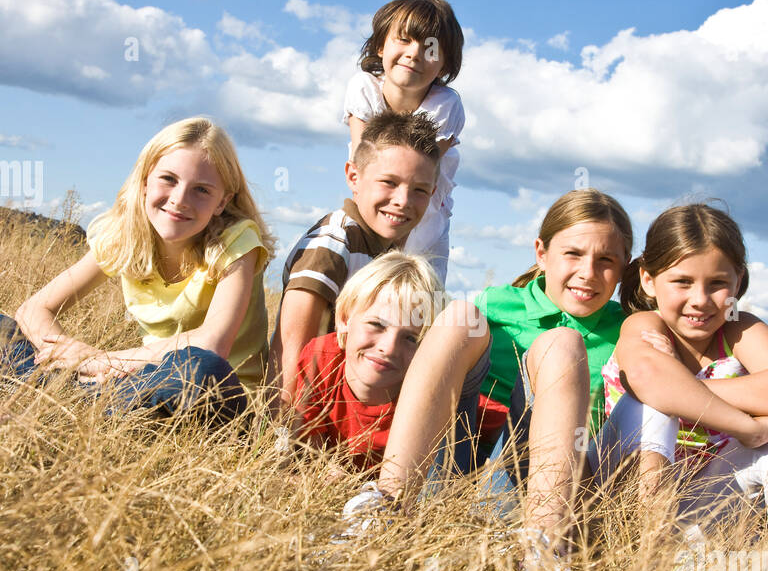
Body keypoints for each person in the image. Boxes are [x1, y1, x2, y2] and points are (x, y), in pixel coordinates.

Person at [340, 189, 634, 565]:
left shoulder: (627, 332)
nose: (588, 273)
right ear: (541, 254)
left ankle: (544, 551)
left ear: (625, 267)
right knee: (460, 317)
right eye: (573, 254)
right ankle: (387, 505)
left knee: (562, 345)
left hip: (537, 488)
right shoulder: (495, 304)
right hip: (448, 468)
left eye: (606, 260)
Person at [596, 202, 768, 557]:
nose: (700, 300)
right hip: (621, 493)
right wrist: (749, 427)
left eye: (717, 284)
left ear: (738, 281)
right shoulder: (644, 325)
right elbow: (648, 378)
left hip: (701, 504)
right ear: (649, 280)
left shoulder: (740, 329)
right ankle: (647, 555)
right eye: (682, 282)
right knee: (651, 406)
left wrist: (681, 388)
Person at [0, 117, 274, 419]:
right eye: (168, 179)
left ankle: (62, 397)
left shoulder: (236, 241)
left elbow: (212, 344)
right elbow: (33, 310)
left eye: (201, 190)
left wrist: (98, 361)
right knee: (3, 328)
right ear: (145, 182)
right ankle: (75, 395)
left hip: (201, 389)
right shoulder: (125, 234)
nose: (179, 200)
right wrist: (67, 355)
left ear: (222, 202)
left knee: (202, 368)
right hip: (130, 379)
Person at [268, 109, 440, 413]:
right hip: (308, 415)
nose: (403, 200)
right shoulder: (333, 242)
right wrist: (280, 438)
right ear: (353, 176)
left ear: (433, 193)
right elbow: (291, 353)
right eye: (389, 182)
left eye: (419, 190)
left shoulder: (385, 252)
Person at [344, 0, 464, 282]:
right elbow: (364, 162)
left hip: (425, 217)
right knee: (359, 284)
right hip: (376, 201)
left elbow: (420, 168)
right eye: (405, 40)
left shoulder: (445, 104)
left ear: (445, 66)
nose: (414, 53)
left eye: (431, 48)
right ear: (380, 45)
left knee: (418, 291)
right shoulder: (363, 88)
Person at [290, 252, 447, 468]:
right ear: (345, 319)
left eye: (411, 338)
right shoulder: (322, 358)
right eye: (377, 325)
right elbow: (309, 450)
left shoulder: (424, 394)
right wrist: (324, 473)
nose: (389, 348)